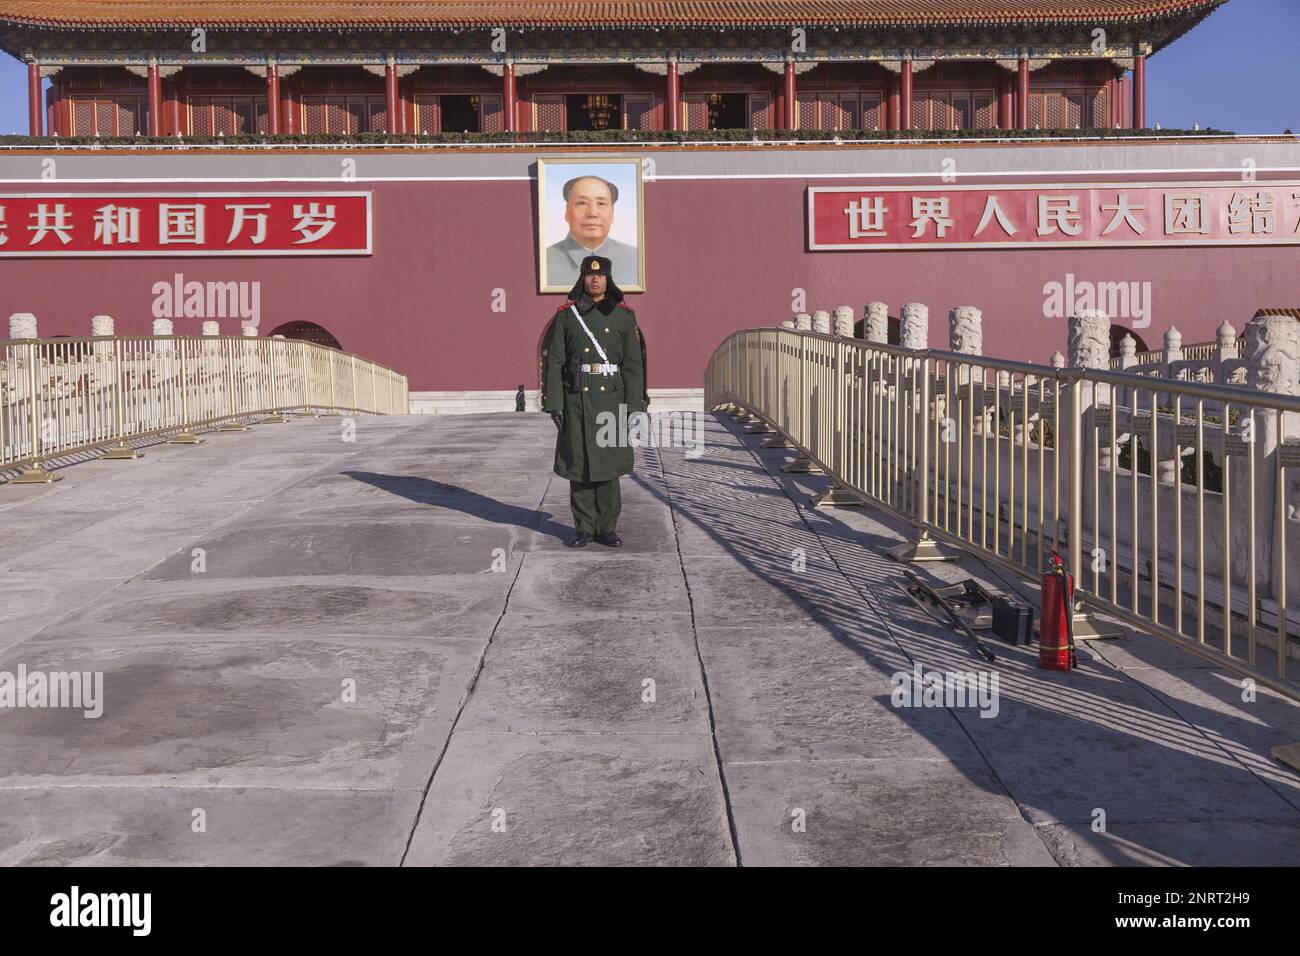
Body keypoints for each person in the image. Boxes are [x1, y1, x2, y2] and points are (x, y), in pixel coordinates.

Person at [542, 254, 645, 548]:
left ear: (609, 279)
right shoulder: (567, 316)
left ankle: (607, 527)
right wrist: (555, 403)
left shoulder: (624, 316)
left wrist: (634, 405)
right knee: (581, 463)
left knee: (608, 463)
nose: (595, 279)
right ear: (582, 278)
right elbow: (555, 362)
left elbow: (633, 365)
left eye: (600, 275)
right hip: (578, 397)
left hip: (611, 397)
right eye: (589, 275)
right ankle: (584, 527)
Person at [545, 175, 639, 289]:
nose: (592, 213)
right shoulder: (545, 261)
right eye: (582, 203)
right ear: (567, 212)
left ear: (612, 213)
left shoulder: (635, 259)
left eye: (601, 204)